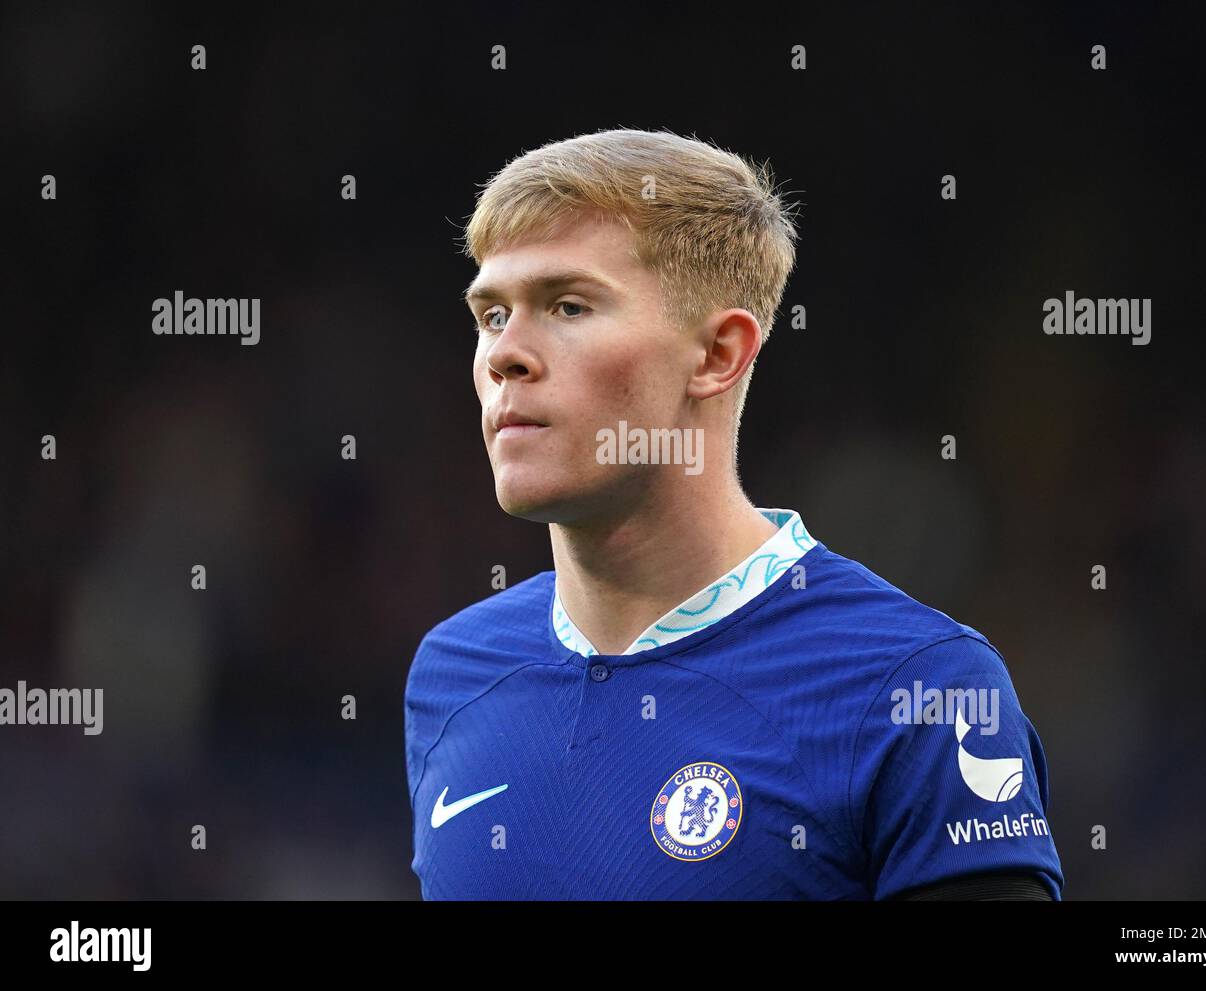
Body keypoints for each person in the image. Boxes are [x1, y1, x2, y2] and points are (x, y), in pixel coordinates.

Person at [405, 128, 1063, 900]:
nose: (504, 354)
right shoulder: (453, 674)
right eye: (491, 315)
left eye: (568, 304)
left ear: (719, 355)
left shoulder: (919, 689)